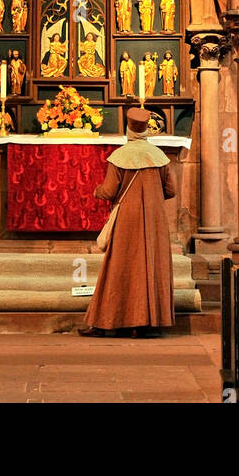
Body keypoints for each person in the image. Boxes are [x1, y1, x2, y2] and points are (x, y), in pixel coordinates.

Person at [80, 107, 176, 338]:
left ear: (129, 128)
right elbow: (171, 190)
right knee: (150, 267)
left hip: (127, 220)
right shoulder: (159, 157)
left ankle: (108, 322)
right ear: (146, 129)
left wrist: (96, 191)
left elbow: (109, 191)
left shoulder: (120, 157)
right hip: (154, 220)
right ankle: (145, 324)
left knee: (119, 268)